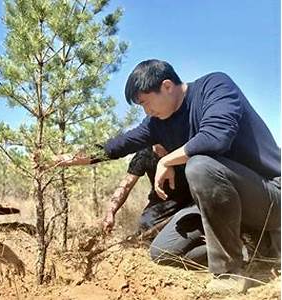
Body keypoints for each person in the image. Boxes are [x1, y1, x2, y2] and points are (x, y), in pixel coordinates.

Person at [55, 59, 280, 293]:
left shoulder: (215, 86)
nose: (146, 111)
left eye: (145, 102)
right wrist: (68, 159)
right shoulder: (157, 123)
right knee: (162, 252)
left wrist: (167, 159)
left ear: (167, 86)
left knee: (199, 166)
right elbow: (119, 145)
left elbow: (216, 136)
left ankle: (228, 273)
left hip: (270, 196)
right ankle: (244, 248)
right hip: (221, 203)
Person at [102, 145, 196, 241]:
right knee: (145, 229)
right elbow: (126, 185)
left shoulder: (184, 143)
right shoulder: (144, 153)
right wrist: (111, 212)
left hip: (191, 198)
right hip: (162, 202)